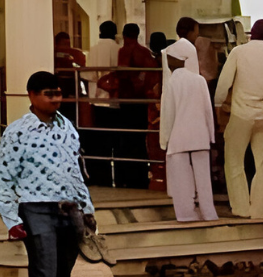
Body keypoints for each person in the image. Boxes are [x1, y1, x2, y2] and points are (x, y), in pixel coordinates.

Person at [0, 70, 94, 277]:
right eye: (49, 95)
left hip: (70, 207)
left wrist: (87, 208)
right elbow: (1, 177)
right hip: (35, 208)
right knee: (44, 269)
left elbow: (76, 171)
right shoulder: (18, 132)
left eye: (58, 94)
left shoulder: (67, 127)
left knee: (64, 269)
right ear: (32, 95)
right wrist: (11, 219)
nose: (56, 99)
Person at [215, 18, 263, 218]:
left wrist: (218, 105)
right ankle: (258, 210)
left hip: (241, 114)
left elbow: (224, 84)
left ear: (252, 33)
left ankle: (240, 208)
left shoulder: (239, 52)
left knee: (234, 161)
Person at [160, 37, 217, 221]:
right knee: (203, 178)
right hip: (200, 135)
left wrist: (165, 138)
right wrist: (211, 135)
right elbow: (208, 111)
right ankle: (209, 213)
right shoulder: (199, 80)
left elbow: (169, 114)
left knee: (181, 179)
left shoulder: (171, 83)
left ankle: (186, 214)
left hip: (179, 136)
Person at [110, 23, 157, 189]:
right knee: (138, 139)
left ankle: (126, 179)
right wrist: (142, 81)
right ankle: (139, 177)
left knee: (126, 140)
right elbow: (152, 71)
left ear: (124, 35)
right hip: (140, 100)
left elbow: (123, 71)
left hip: (128, 99)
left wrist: (132, 78)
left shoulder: (124, 51)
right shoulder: (144, 52)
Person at [84, 20, 121, 188]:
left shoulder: (93, 49)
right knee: (115, 140)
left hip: (96, 100)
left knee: (99, 141)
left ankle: (101, 177)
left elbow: (88, 76)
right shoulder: (118, 49)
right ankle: (116, 177)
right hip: (114, 101)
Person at [177, 16, 219, 92]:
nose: (198, 33)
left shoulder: (174, 49)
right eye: (196, 33)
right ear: (189, 33)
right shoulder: (200, 43)